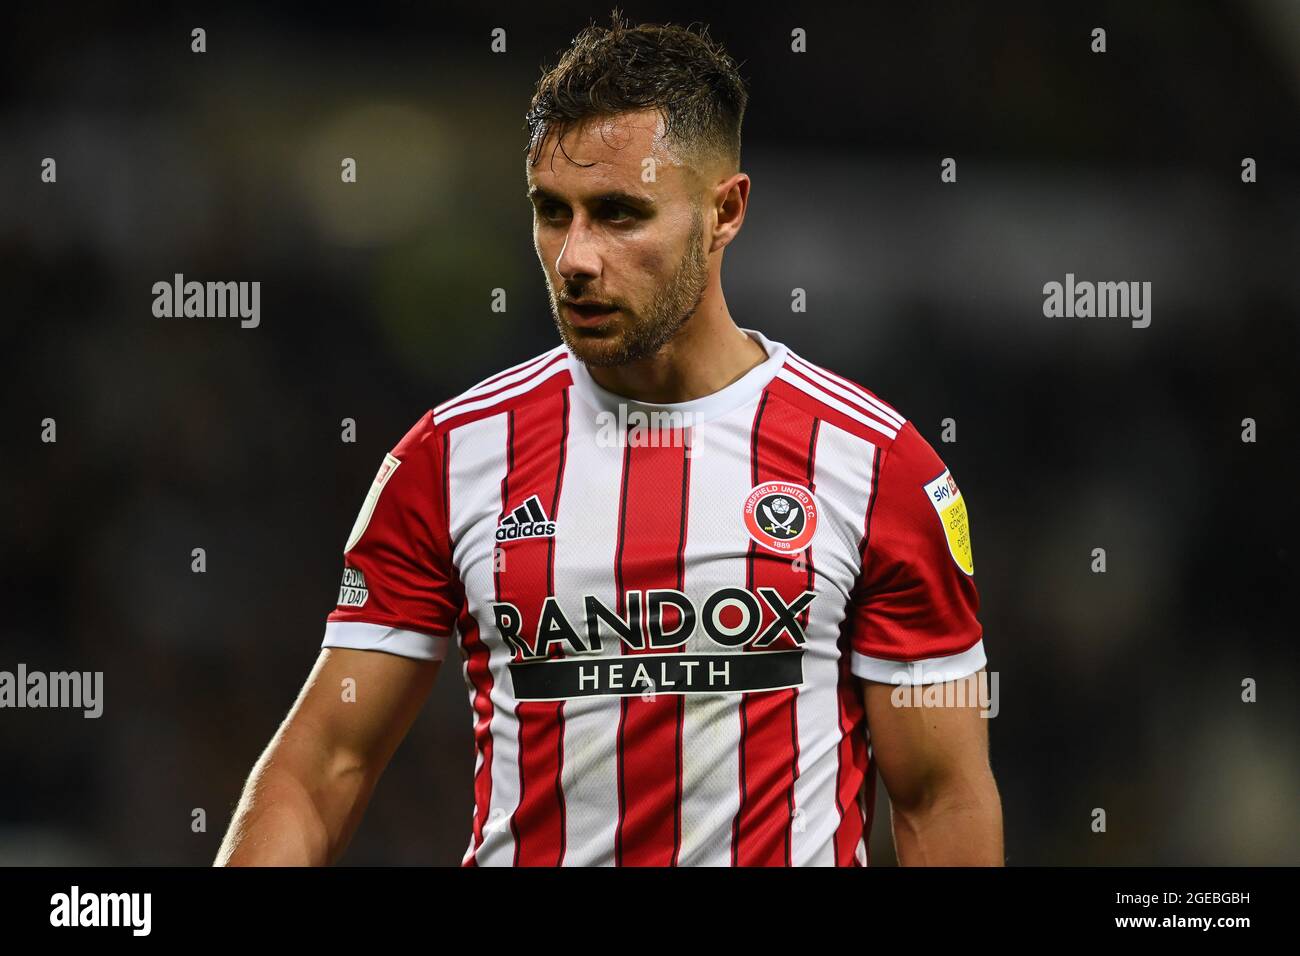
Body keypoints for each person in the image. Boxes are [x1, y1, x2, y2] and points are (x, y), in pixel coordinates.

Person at [216, 11, 1002, 867]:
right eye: (553, 212)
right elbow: (320, 766)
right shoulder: (447, 460)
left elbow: (939, 795)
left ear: (725, 211)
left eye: (620, 214)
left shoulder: (879, 467)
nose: (574, 259)